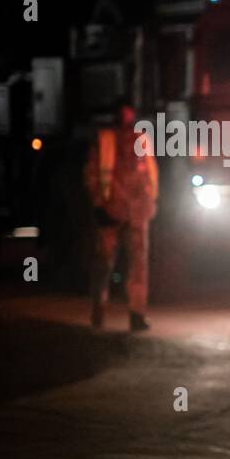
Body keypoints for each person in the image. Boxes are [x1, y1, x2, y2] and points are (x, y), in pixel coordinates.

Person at [84, 102, 157, 331]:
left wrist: (149, 204)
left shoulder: (142, 140)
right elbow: (93, 174)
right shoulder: (105, 140)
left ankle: (136, 314)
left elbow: (150, 176)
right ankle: (98, 310)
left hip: (135, 213)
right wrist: (99, 205)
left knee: (137, 266)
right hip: (112, 211)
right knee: (104, 264)